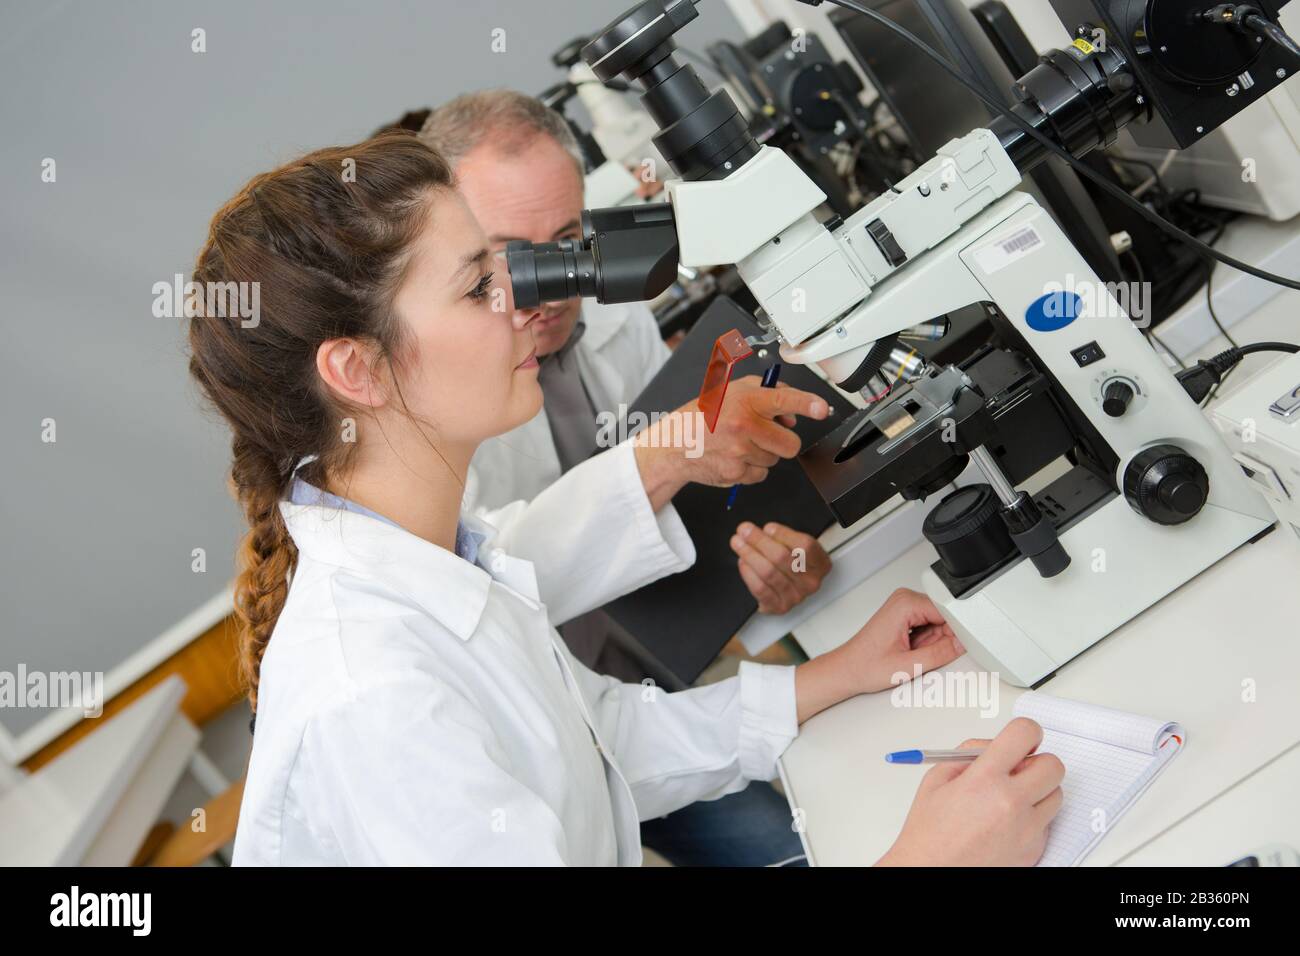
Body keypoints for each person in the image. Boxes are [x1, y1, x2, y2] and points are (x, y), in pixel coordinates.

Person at [189, 132, 1063, 866]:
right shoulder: (375, 702)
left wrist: (837, 673)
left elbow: (605, 746)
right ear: (358, 369)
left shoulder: (453, 554)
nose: (525, 302)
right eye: (475, 286)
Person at [419, 90, 832, 865]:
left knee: (838, 799)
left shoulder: (615, 313)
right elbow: (501, 580)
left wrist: (778, 560)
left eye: (568, 240)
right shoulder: (437, 397)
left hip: (677, 666)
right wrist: (669, 453)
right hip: (556, 732)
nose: (554, 282)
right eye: (512, 251)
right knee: (780, 852)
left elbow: (713, 500)